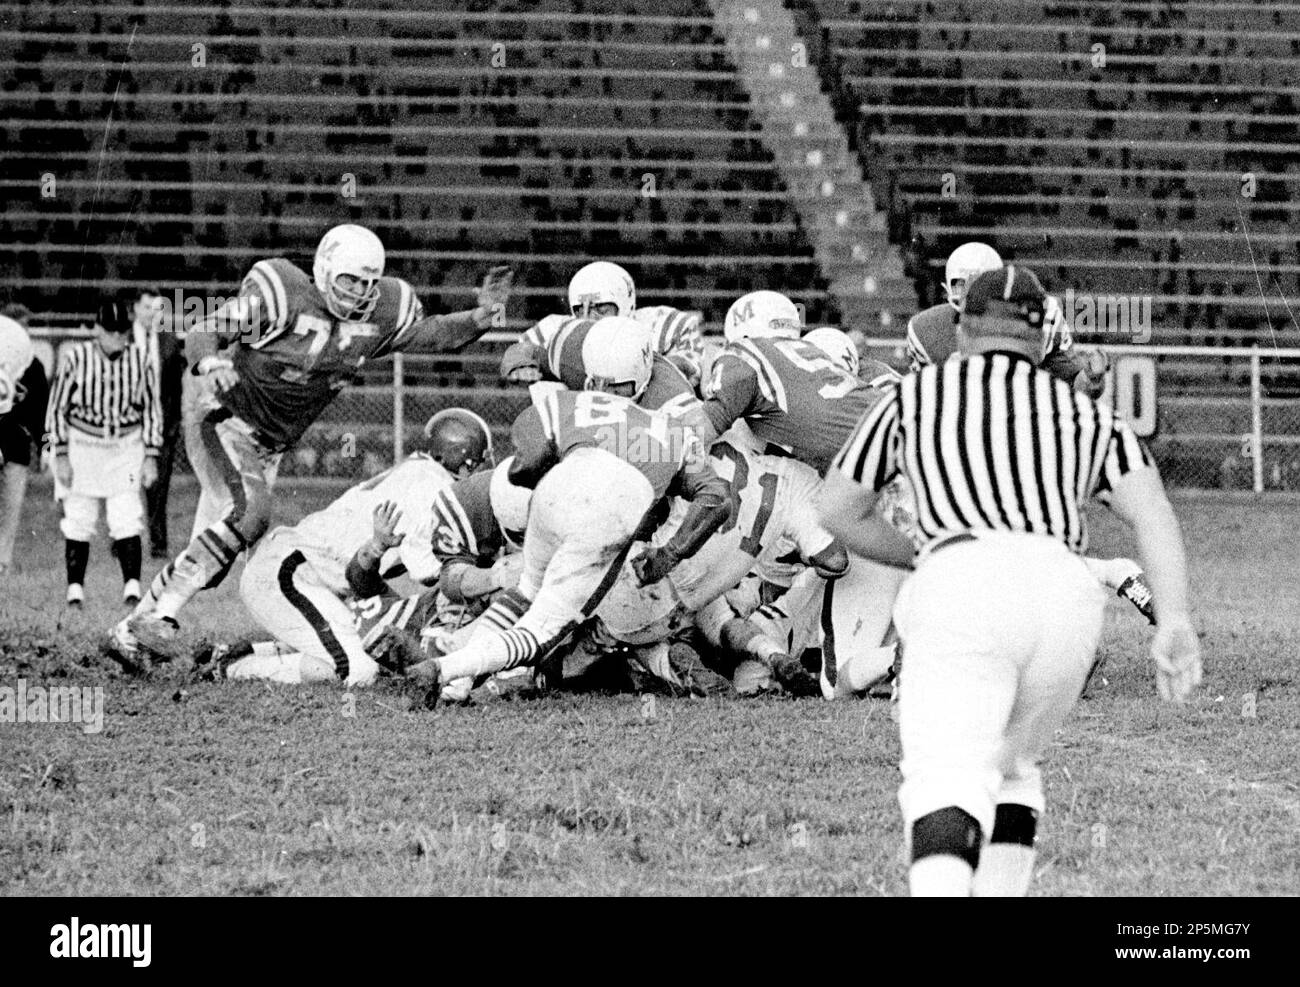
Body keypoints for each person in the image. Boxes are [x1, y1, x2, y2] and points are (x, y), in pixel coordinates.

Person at [819, 264, 1202, 897]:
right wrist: (1177, 617)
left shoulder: (914, 397)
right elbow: (1152, 510)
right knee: (1014, 768)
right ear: (1042, 337)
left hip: (962, 578)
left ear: (962, 330)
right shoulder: (1082, 411)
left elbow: (837, 509)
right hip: (1065, 596)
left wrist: (918, 556)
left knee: (946, 775)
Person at [114, 223, 512, 660]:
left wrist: (480, 317)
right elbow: (205, 329)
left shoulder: (381, 314)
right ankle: (158, 619)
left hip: (269, 445)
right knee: (251, 514)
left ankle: (132, 634)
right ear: (324, 269)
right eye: (349, 280)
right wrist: (210, 361)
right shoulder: (283, 292)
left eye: (368, 283)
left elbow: (433, 334)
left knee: (215, 559)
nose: (359, 292)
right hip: (223, 416)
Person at [408, 371, 733, 704]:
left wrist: (551, 478)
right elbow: (718, 499)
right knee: (539, 632)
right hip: (611, 513)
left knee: (524, 591)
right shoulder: (679, 434)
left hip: (556, 487)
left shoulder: (575, 401)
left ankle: (459, 684)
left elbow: (524, 456)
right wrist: (669, 555)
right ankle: (443, 669)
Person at [215, 409, 493, 687]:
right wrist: (484, 573)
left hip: (308, 575)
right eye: (476, 463)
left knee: (360, 647)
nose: (476, 471)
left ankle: (246, 653)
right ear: (461, 459)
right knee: (360, 669)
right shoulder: (431, 486)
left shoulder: (420, 471)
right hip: (291, 572)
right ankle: (235, 668)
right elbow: (427, 570)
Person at [45, 299, 161, 607]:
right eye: (111, 331)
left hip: (124, 444)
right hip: (84, 442)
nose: (117, 338)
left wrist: (151, 454)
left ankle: (132, 588)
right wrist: (59, 454)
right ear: (98, 329)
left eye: (122, 331)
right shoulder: (77, 358)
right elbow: (56, 409)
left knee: (127, 515)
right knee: (79, 516)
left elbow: (151, 409)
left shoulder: (140, 359)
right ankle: (74, 591)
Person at [499, 261, 704, 388]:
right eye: (581, 309)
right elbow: (519, 350)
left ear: (625, 304)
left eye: (601, 309)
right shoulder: (560, 329)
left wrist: (646, 366)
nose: (589, 318)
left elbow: (691, 367)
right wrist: (520, 365)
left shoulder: (658, 325)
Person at [128, 286, 186, 559]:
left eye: (157, 309)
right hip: (127, 423)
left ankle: (158, 544)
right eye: (147, 308)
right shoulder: (123, 339)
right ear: (136, 309)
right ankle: (123, 540)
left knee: (158, 487)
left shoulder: (169, 341)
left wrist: (173, 423)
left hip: (162, 425)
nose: (152, 314)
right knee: (125, 485)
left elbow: (176, 389)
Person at [0, 306, 49, 575]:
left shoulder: (34, 366)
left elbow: (43, 412)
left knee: (11, 507)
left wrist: (47, 448)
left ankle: (2, 563)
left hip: (16, 446)